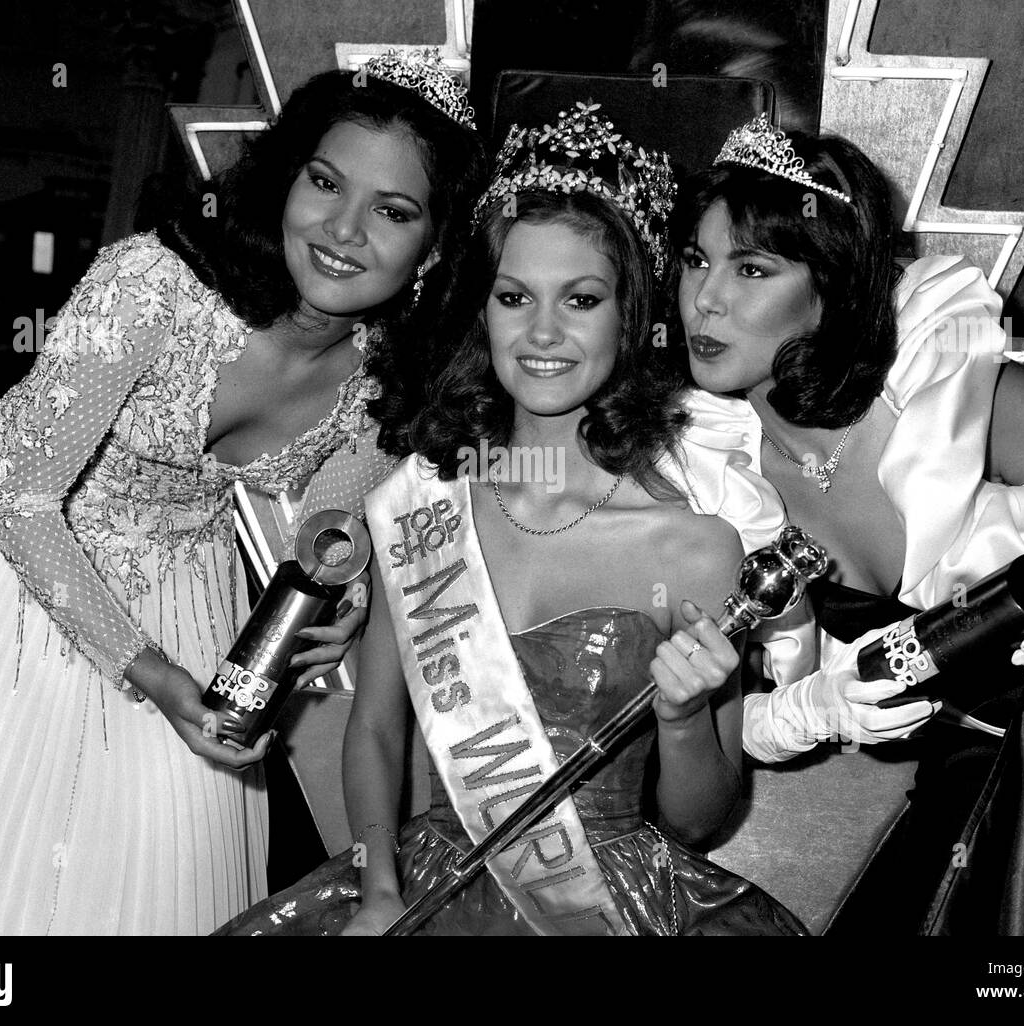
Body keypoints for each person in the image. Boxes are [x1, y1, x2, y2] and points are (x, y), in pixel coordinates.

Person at [0, 51, 484, 935]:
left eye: (391, 211)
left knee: (158, 862)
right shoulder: (154, 283)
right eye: (324, 182)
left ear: (434, 247)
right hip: (4, 557)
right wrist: (153, 675)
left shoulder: (390, 377)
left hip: (183, 575)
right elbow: (19, 498)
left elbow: (323, 533)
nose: (343, 230)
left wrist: (342, 590)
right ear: (286, 178)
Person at [217, 103, 806, 936]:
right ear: (484, 310)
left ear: (629, 316)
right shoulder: (422, 506)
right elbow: (377, 729)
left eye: (583, 299)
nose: (542, 332)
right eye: (514, 295)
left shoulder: (697, 548)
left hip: (613, 906)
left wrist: (679, 719)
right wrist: (382, 893)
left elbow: (700, 821)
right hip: (423, 883)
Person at [670, 114, 1024, 934]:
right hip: (989, 762)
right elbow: (725, 720)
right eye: (693, 260)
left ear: (830, 284)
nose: (705, 299)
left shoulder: (946, 385)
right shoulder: (709, 475)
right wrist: (819, 709)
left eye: (750, 268)